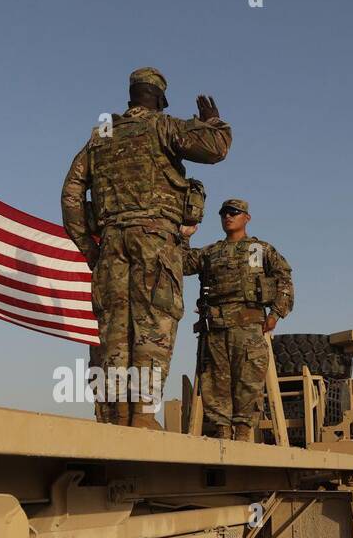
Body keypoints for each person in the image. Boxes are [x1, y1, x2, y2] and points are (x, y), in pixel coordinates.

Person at [61, 68, 231, 429]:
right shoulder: (164, 126)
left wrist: (89, 249)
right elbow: (217, 149)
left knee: (115, 331)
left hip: (111, 244)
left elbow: (72, 193)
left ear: (131, 96)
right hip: (154, 240)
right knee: (153, 324)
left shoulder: (101, 133)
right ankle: (141, 415)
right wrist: (213, 122)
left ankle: (120, 414)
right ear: (157, 98)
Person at [184, 199, 294, 441]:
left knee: (248, 380)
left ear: (247, 218)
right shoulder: (211, 252)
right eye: (224, 213)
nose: (228, 217)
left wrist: (276, 313)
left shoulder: (260, 250)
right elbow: (183, 264)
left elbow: (284, 279)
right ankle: (222, 432)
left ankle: (243, 432)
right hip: (215, 327)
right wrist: (185, 236)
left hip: (248, 325)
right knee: (214, 381)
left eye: (234, 213)